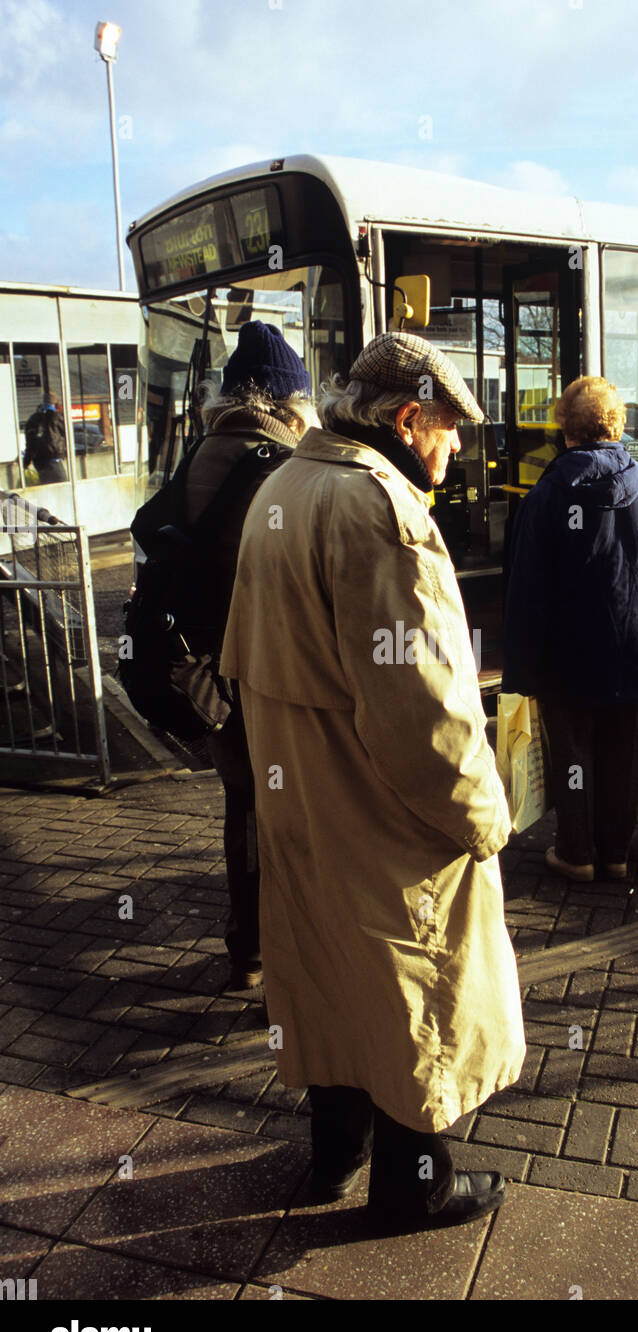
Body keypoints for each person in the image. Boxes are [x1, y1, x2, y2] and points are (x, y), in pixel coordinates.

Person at [220, 332, 526, 1231]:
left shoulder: (284, 484)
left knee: (328, 972)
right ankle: (415, 1182)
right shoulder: (379, 509)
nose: (456, 451)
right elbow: (426, 715)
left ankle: (334, 1153)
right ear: (407, 418)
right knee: (414, 987)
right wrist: (484, 816)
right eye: (449, 431)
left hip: (301, 798)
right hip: (379, 811)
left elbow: (247, 659)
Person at [502, 375, 638, 881]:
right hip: (635, 651)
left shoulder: (546, 496)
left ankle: (577, 854)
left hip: (568, 654)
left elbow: (526, 590)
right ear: (619, 426)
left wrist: (520, 669)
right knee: (624, 753)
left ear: (565, 431)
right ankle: (617, 853)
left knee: (574, 751)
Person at [188, 321, 318, 991]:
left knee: (243, 802)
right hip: (268, 670)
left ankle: (250, 948)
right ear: (287, 402)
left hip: (212, 670)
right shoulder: (278, 463)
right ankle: (286, 948)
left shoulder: (200, 452)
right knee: (287, 807)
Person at [23, 392, 68, 484]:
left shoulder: (33, 419)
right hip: (54, 461)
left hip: (39, 463)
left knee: (47, 489)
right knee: (63, 489)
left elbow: (30, 443)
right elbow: (66, 435)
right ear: (55, 404)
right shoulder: (57, 417)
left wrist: (26, 462)